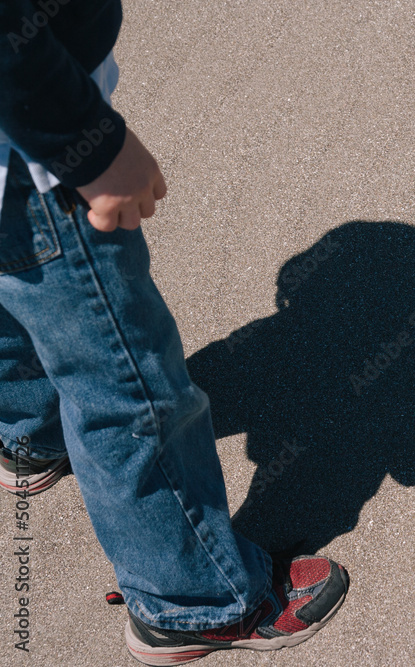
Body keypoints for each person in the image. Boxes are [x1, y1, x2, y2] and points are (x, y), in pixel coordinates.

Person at [0, 1, 348, 663]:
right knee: (126, 384)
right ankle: (192, 599)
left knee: (14, 304)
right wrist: (95, 148)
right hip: (36, 167)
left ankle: (27, 434)